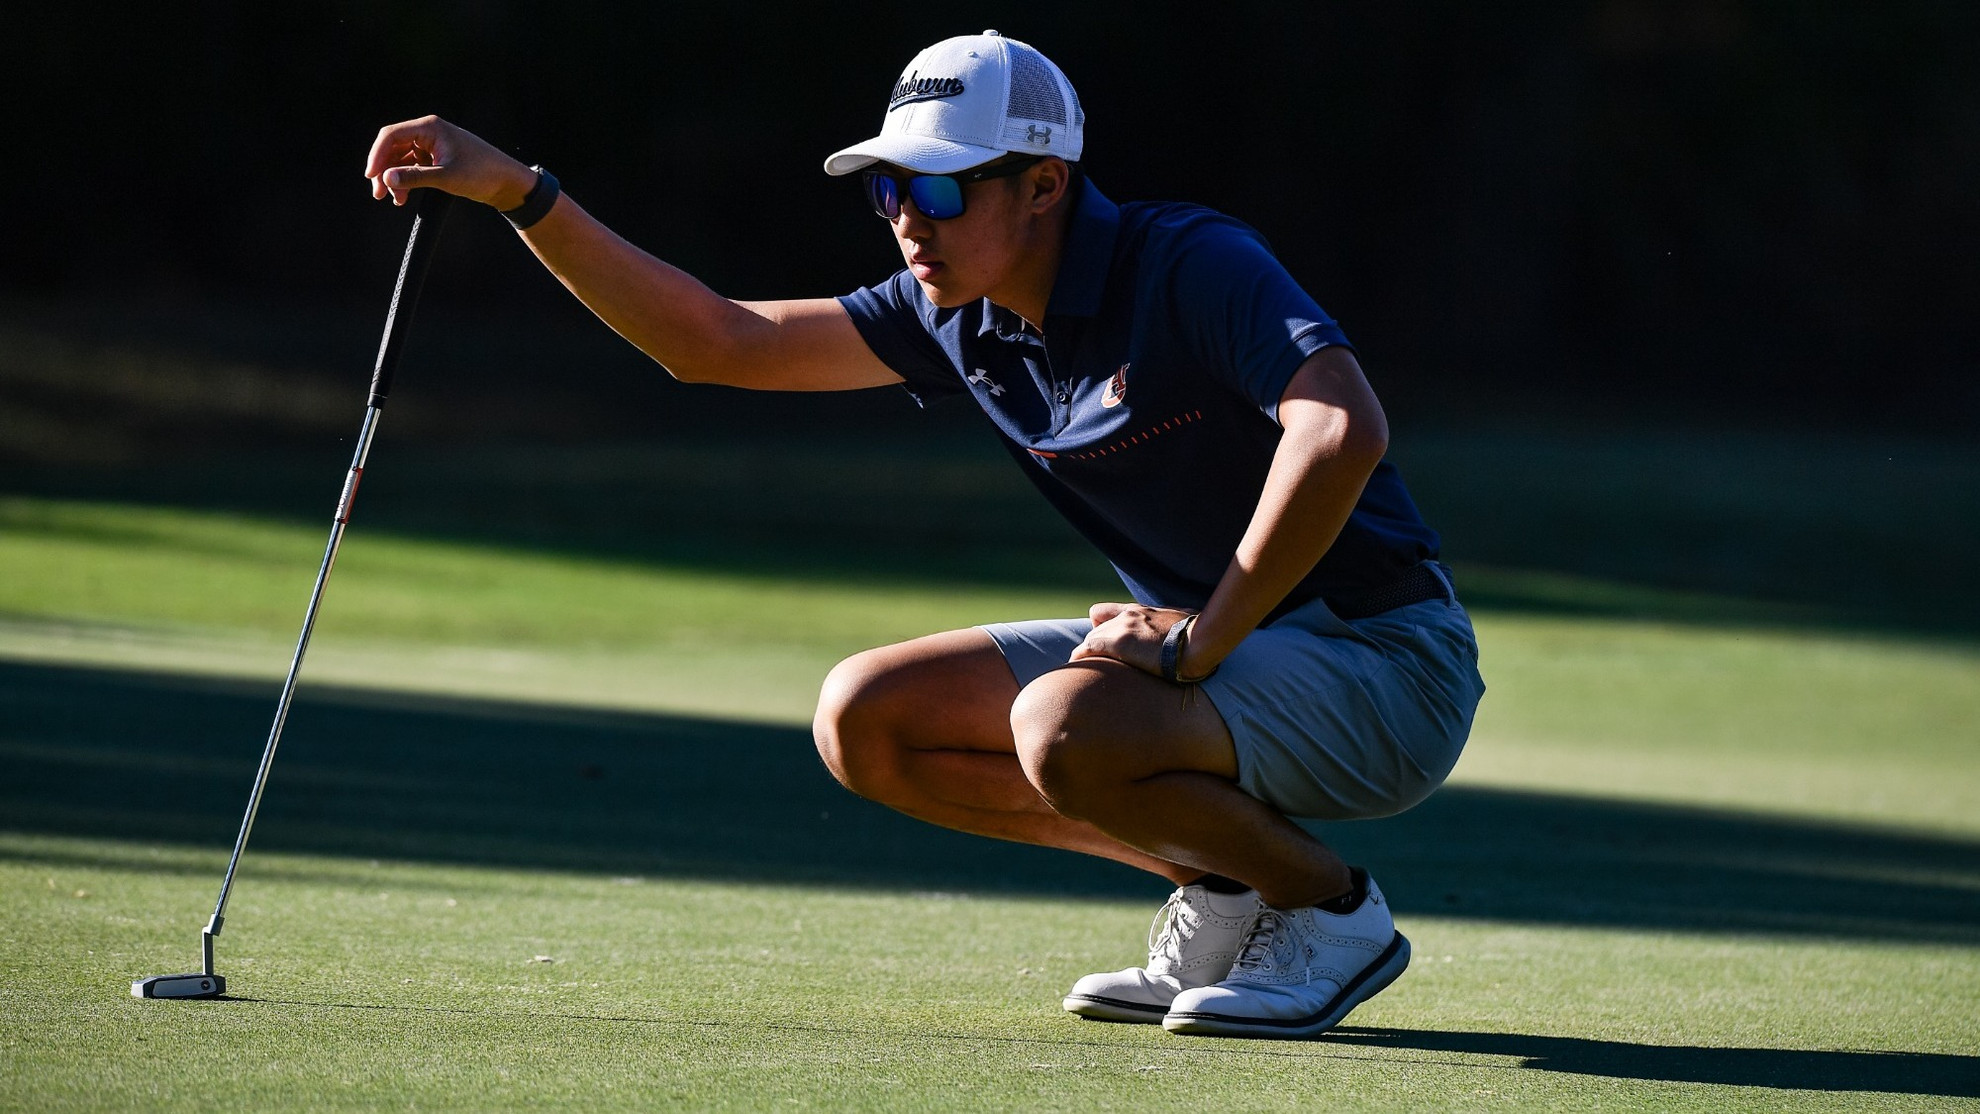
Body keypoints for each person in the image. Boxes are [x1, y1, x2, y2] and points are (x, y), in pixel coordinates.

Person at [364, 31, 1484, 1040]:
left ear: (1044, 186)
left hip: (1386, 660)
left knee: (1059, 720)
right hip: (1214, 661)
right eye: (891, 188)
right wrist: (519, 192)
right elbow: (718, 340)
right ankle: (1226, 879)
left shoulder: (1189, 263)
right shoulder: (953, 312)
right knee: (867, 719)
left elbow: (1340, 429)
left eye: (941, 189)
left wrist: (1199, 642)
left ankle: (1328, 909)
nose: (908, 217)